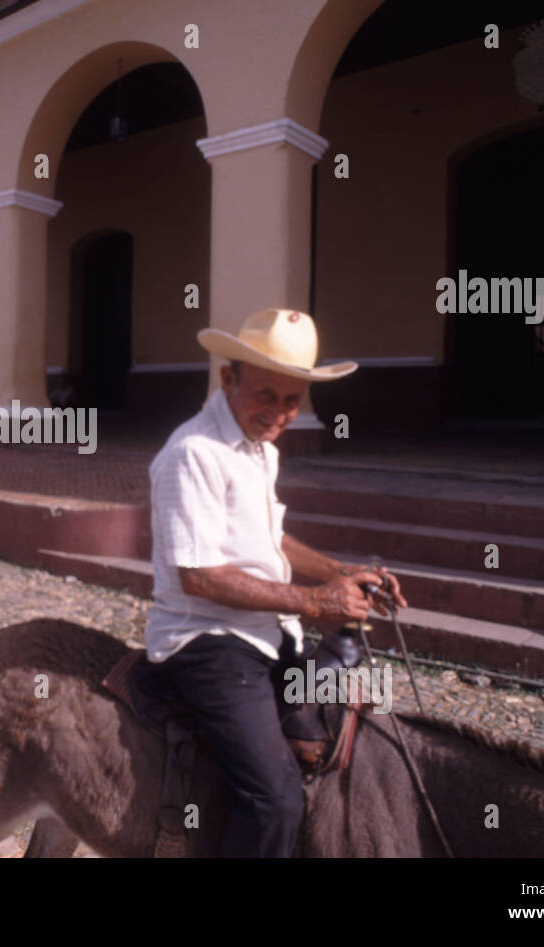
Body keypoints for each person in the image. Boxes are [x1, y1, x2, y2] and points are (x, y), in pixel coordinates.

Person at [144, 307, 408, 858]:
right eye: (267, 395)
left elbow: (272, 541)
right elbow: (198, 575)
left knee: (347, 733)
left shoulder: (258, 449)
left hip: (268, 632)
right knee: (275, 800)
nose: (280, 414)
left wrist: (342, 574)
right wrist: (313, 601)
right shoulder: (193, 453)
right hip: (208, 643)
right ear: (227, 379)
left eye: (292, 401)